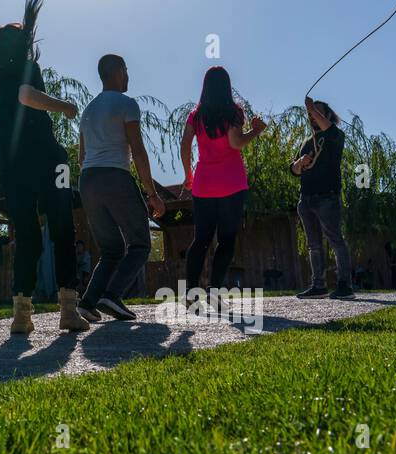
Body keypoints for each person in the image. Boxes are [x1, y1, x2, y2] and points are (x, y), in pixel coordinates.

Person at [0, 0, 89, 334]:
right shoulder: (29, 67)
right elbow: (27, 96)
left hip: (11, 166)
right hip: (50, 160)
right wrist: (65, 106)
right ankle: (69, 311)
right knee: (62, 229)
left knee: (26, 234)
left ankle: (22, 316)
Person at [74, 54, 166, 323]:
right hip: (115, 176)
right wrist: (152, 194)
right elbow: (137, 149)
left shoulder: (88, 110)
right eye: (126, 70)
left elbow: (81, 158)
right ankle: (112, 295)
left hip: (88, 180)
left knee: (112, 249)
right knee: (140, 243)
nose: (128, 75)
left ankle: (88, 303)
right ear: (117, 72)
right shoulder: (127, 104)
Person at [179, 66, 266, 301]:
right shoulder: (234, 111)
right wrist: (255, 131)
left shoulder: (195, 116)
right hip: (232, 183)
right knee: (226, 240)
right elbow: (236, 143)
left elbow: (185, 144)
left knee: (201, 239)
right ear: (227, 86)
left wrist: (188, 174)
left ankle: (191, 291)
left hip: (204, 184)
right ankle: (215, 292)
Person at [291, 97, 355, 299]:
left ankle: (345, 285)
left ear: (327, 116)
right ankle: (318, 285)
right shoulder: (306, 143)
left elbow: (330, 130)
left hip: (327, 198)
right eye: (310, 113)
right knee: (314, 245)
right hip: (306, 199)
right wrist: (299, 163)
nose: (312, 115)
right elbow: (293, 170)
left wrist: (312, 108)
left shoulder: (335, 136)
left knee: (336, 240)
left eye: (317, 112)